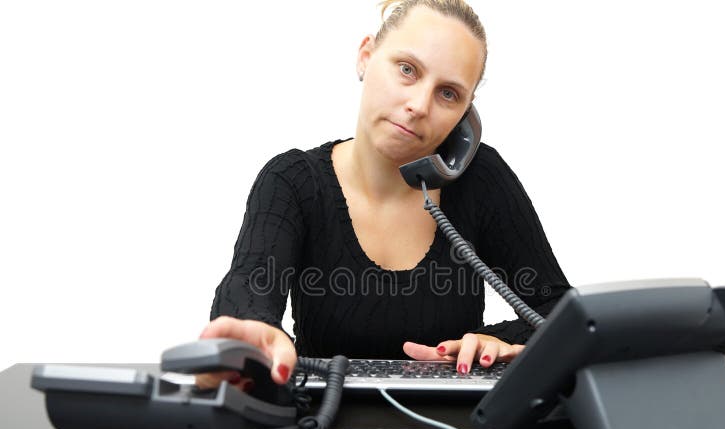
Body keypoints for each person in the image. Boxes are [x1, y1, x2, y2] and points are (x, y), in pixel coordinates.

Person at [197, 0, 570, 390]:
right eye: (407, 69)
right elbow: (249, 287)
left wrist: (498, 341)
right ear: (366, 56)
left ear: (465, 116)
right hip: (325, 418)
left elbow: (558, 308)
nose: (418, 106)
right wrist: (252, 332)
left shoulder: (481, 178)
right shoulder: (293, 181)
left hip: (452, 420)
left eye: (448, 94)